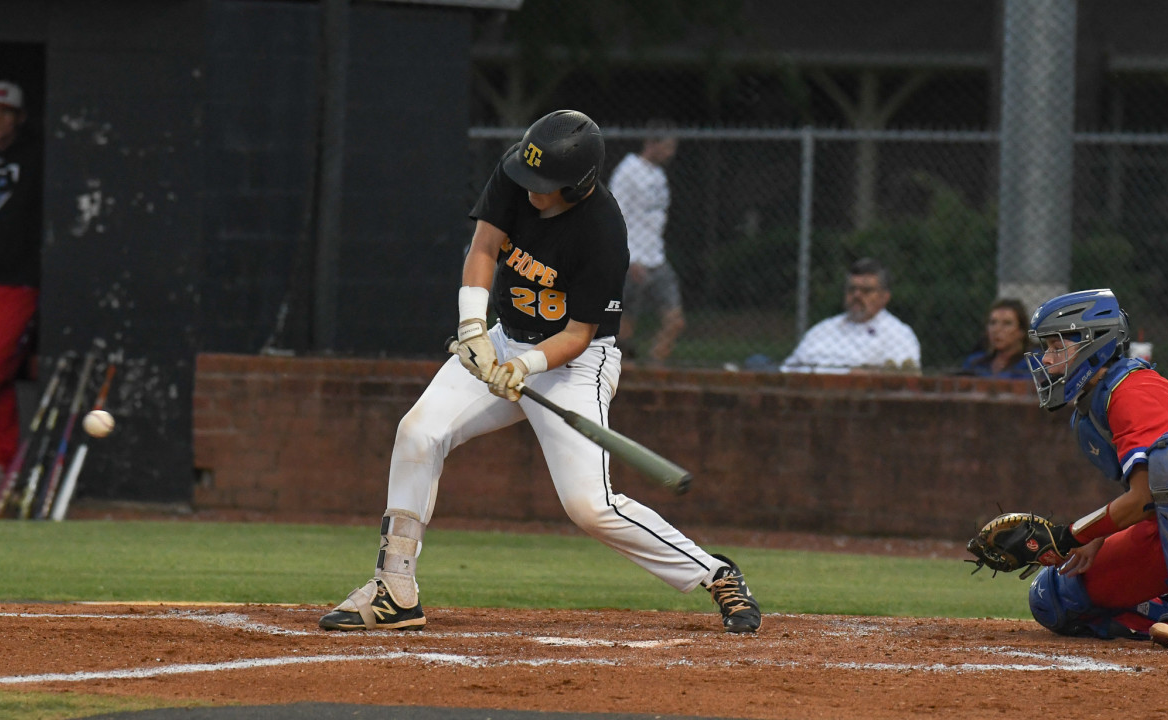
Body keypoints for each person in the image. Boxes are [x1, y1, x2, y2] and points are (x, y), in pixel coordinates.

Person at [319, 110, 760, 635]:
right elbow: (484, 248)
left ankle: (716, 573)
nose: (531, 192)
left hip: (576, 365)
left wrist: (523, 368)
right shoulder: (517, 171)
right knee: (418, 432)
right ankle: (395, 590)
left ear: (578, 185)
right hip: (505, 337)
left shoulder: (602, 231)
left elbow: (578, 334)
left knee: (589, 507)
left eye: (545, 187)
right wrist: (474, 330)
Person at [1021, 288, 1168, 648]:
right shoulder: (1091, 414)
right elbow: (1148, 499)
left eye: (1057, 348)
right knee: (1053, 595)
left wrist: (1071, 535)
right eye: (1046, 349)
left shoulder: (1133, 389)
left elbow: (1153, 493)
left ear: (1093, 344)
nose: (1048, 361)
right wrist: (1094, 538)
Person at [607, 121, 684, 364]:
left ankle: (653, 369)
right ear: (652, 144)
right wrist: (628, 257)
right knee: (625, 325)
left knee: (675, 320)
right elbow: (614, 215)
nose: (671, 153)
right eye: (667, 146)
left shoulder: (659, 175)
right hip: (632, 259)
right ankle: (620, 372)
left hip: (656, 258)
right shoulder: (628, 171)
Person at [0, 80, 41, 484]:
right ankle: (6, 466)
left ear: (20, 118)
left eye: (5, 113)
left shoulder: (36, 159)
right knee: (1, 381)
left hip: (15, 282)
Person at [780, 257, 920, 374]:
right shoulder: (822, 330)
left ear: (884, 297)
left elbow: (904, 382)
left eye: (866, 290)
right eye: (852, 289)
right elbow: (787, 371)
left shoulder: (898, 335)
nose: (856, 295)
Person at [958, 298, 1032, 379]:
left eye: (1007, 323)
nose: (997, 329)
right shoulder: (974, 363)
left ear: (1021, 331)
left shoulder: (1033, 363)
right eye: (992, 322)